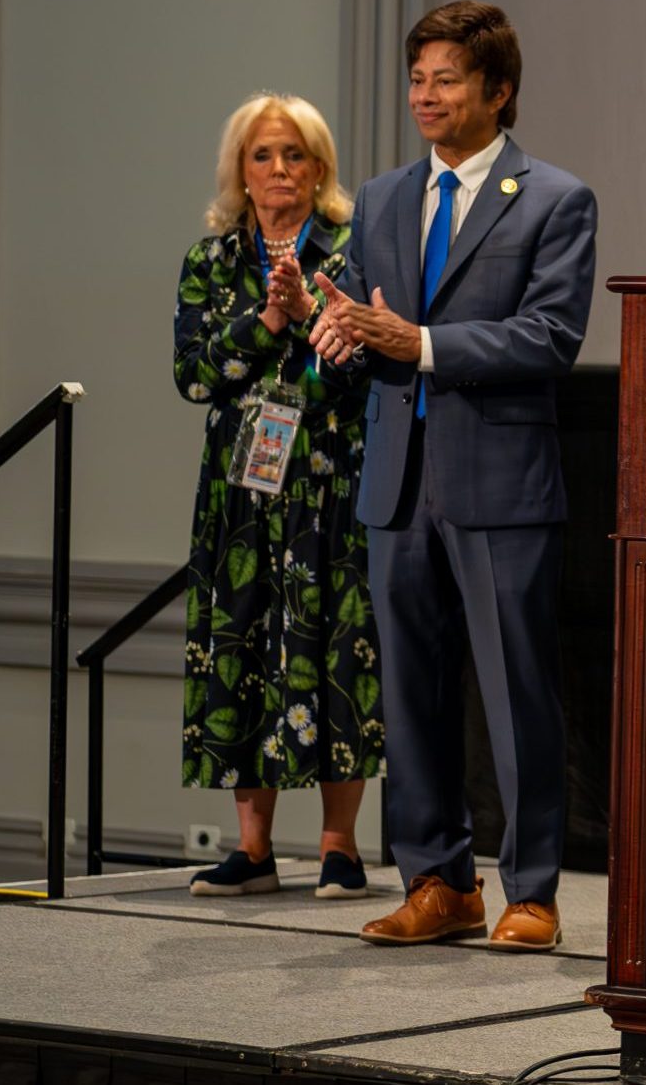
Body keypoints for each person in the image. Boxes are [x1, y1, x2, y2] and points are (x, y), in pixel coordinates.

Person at [308, 0, 598, 952]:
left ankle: (532, 892)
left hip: (500, 482)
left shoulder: (555, 198)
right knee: (412, 695)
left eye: (447, 80)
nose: (425, 97)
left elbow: (551, 337)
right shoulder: (385, 198)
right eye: (417, 79)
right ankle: (438, 881)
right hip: (398, 481)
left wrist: (422, 342)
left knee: (514, 691)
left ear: (498, 91)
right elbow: (364, 333)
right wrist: (330, 332)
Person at [171, 92, 379, 900]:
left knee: (335, 649)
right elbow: (193, 374)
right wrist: (267, 319)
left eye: (296, 154)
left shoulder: (353, 254)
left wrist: (306, 318)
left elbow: (364, 375)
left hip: (328, 485)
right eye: (264, 156)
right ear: (241, 172)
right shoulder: (209, 260)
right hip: (240, 493)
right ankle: (251, 848)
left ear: (320, 168)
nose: (279, 170)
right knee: (242, 648)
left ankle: (339, 847)